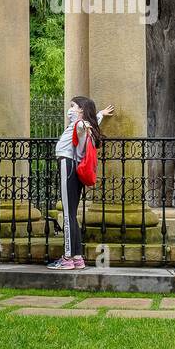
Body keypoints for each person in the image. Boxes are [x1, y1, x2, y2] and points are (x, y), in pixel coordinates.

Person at [48, 97, 113, 270]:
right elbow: (90, 122)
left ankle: (67, 258)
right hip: (74, 168)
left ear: (81, 110)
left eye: (72, 106)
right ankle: (77, 258)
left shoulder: (80, 125)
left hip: (67, 164)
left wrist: (85, 124)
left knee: (68, 215)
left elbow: (82, 126)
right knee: (71, 214)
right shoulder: (82, 124)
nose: (69, 109)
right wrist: (100, 114)